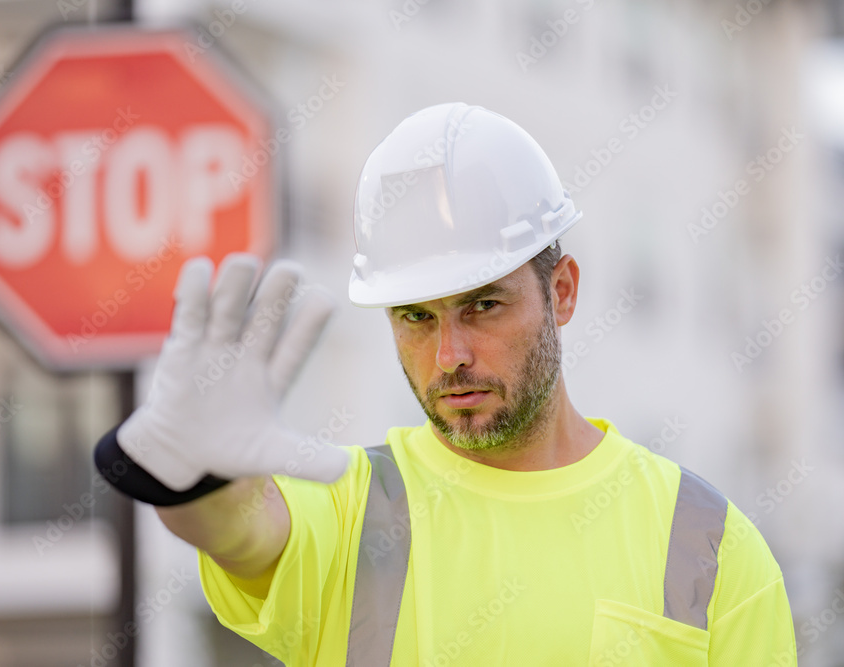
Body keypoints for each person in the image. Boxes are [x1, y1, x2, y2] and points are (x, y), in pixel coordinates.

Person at [95, 103, 797, 665]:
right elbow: (241, 532)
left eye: (483, 304)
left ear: (564, 290)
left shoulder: (707, 543)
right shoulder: (356, 508)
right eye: (415, 317)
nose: (449, 353)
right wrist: (195, 479)